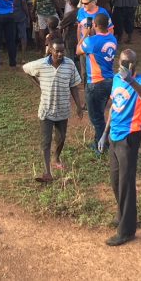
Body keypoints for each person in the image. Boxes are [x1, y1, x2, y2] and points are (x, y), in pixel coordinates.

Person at [100, 49, 141, 246]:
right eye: (119, 62)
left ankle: (127, 230)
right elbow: (114, 106)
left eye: (125, 63)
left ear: (132, 65)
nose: (120, 66)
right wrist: (105, 133)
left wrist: (131, 81)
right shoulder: (115, 79)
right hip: (114, 136)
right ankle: (123, 213)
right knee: (115, 179)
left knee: (126, 183)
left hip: (129, 138)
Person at [23, 40, 84, 183]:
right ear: (50, 50)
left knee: (61, 137)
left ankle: (56, 157)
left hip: (63, 109)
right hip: (46, 109)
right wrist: (38, 83)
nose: (60, 53)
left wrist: (79, 106)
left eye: (62, 51)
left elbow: (74, 86)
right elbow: (25, 68)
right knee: (46, 141)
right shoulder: (41, 64)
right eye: (57, 51)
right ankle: (47, 172)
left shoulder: (69, 65)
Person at [78, 13, 118, 152]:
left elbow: (78, 50)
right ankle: (99, 142)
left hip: (95, 83)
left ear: (94, 25)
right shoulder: (112, 38)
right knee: (100, 113)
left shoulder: (91, 41)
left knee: (96, 117)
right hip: (109, 81)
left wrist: (85, 35)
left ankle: (101, 146)